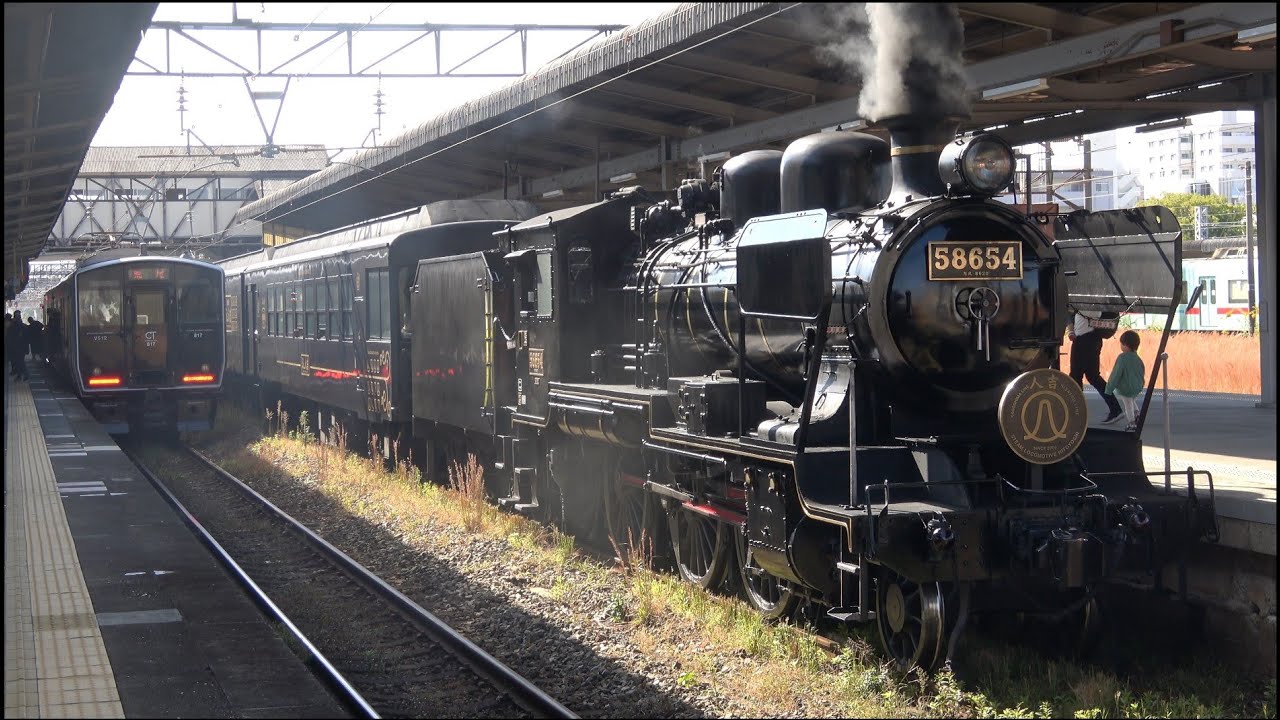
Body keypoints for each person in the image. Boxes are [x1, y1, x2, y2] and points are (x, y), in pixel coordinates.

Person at [1067, 306, 1123, 424]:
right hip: (1091, 340)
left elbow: (1072, 312)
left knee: (1076, 376)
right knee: (1093, 377)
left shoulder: (1088, 303)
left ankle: (1076, 412)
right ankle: (1115, 408)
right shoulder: (1092, 303)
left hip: (1084, 341)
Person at [1105, 330, 1146, 431]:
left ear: (1126, 345)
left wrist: (1109, 388)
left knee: (1127, 404)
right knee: (1131, 400)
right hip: (1137, 386)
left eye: (1121, 344)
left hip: (1125, 387)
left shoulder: (1122, 358)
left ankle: (1131, 422)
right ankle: (1137, 415)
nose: (1121, 346)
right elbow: (1142, 371)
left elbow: (1116, 374)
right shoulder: (1138, 358)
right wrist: (1141, 384)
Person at [7, 311, 29, 381]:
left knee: (19, 361)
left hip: (16, 347)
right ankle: (22, 375)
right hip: (20, 347)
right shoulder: (23, 326)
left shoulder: (13, 326)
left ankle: (23, 375)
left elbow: (10, 336)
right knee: (20, 361)